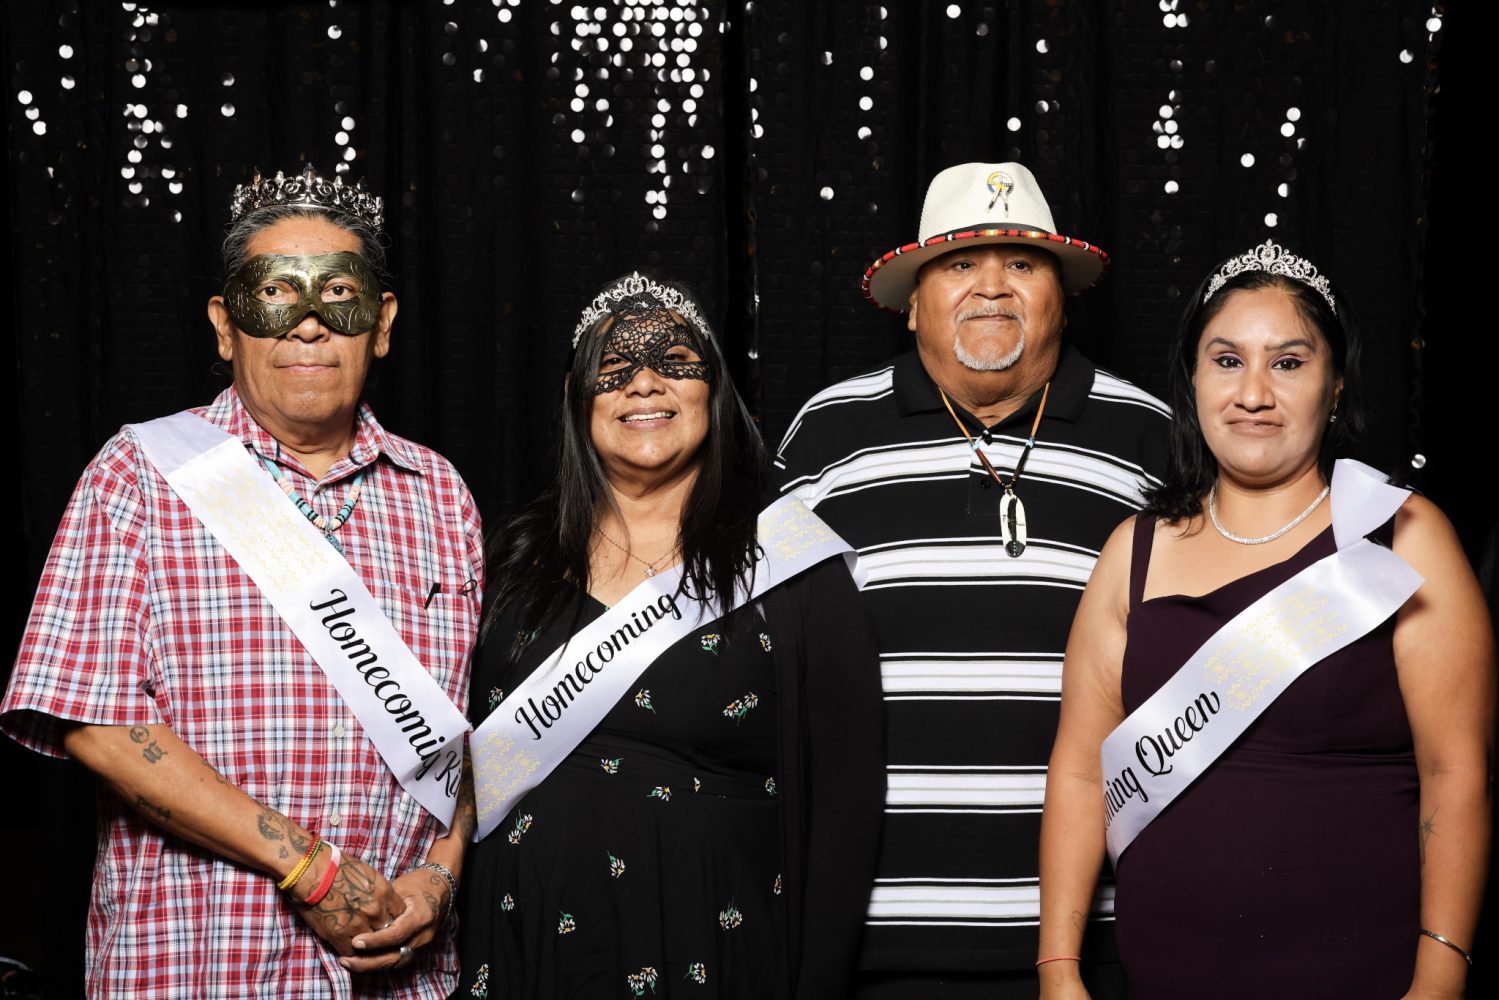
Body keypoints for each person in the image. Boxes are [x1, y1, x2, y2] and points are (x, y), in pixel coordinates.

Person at [1, 165, 483, 997]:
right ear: (226, 326)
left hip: (402, 975)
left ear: (383, 323)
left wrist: (440, 879)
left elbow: (462, 739)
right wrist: (309, 868)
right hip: (200, 962)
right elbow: (94, 723)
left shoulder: (439, 494)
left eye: (337, 292)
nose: (306, 325)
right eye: (273, 294)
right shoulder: (141, 474)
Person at [1038, 242, 1495, 998]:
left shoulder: (1401, 536)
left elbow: (1456, 775)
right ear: (1192, 379)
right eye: (1225, 360)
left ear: (1335, 383)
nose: (1253, 392)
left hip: (1363, 979)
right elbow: (1083, 771)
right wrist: (1058, 971)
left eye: (1287, 362)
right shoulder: (1132, 552)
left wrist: (1438, 981)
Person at [774, 162, 1169, 997]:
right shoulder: (825, 437)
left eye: (1021, 265)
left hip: (1095, 940)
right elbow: (764, 666)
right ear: (913, 301)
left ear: (1062, 293)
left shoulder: (1151, 437)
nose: (991, 287)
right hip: (876, 938)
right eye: (958, 265)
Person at [455, 272, 884, 999]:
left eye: (673, 362)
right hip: (523, 944)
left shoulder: (788, 564)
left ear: (711, 390)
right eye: (613, 370)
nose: (644, 385)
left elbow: (846, 805)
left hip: (714, 942)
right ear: (574, 397)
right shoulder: (511, 555)